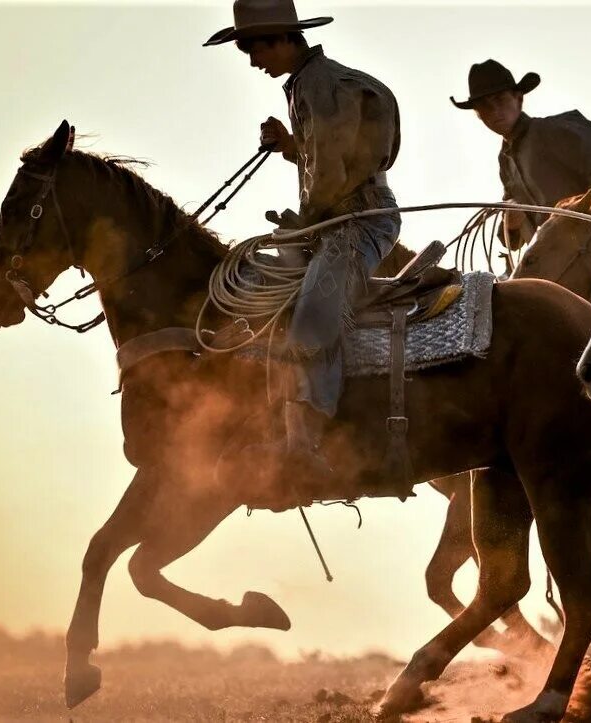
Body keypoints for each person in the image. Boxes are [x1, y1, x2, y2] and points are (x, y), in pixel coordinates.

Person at [204, 0, 402, 508]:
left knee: (316, 311)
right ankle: (282, 423)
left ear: (281, 40)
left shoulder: (319, 83)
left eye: (254, 47)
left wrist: (306, 219)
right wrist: (291, 146)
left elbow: (334, 174)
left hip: (358, 223)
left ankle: (305, 443)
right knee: (266, 297)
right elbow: (333, 153)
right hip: (334, 223)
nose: (252, 60)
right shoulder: (310, 84)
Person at [451, 59, 591, 249]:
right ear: (478, 115)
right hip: (554, 254)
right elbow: (512, 239)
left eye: (500, 100)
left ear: (519, 98)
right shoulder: (505, 161)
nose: (494, 111)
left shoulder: (555, 129)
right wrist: (511, 226)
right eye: (484, 107)